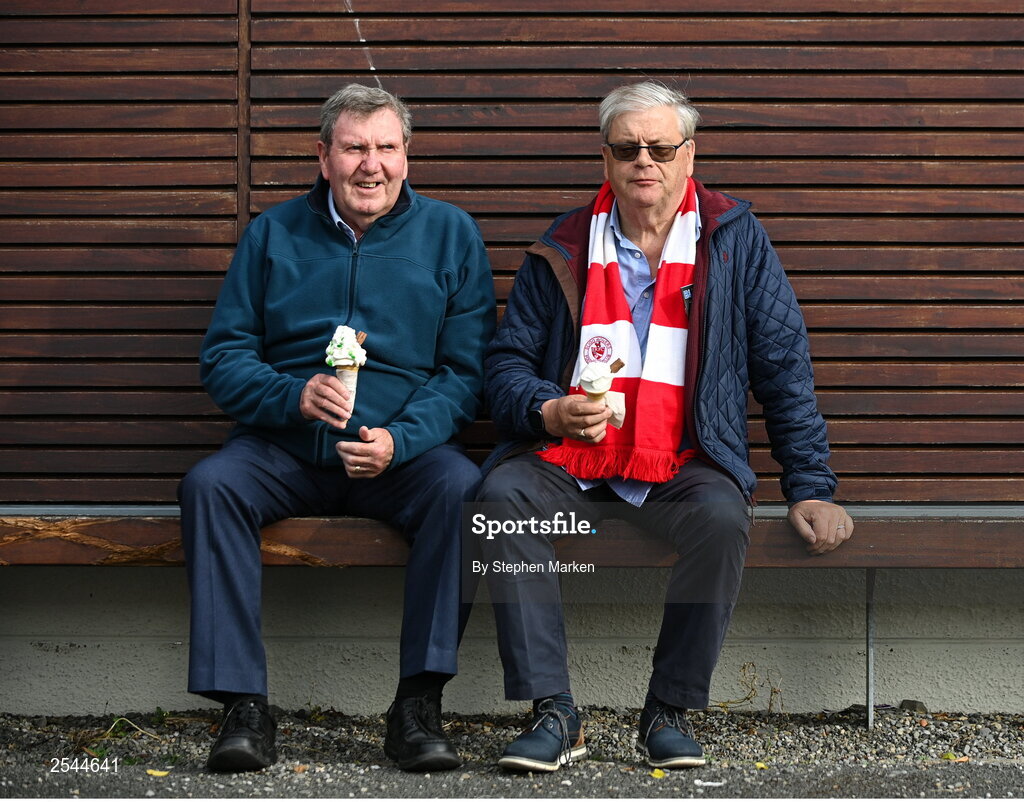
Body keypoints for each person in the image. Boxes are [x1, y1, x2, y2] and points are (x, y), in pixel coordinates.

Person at [475, 81, 854, 773]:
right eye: (627, 148)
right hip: (572, 456)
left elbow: (783, 368)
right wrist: (548, 409)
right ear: (606, 159)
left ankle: (668, 710)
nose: (643, 160)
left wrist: (812, 486)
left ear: (689, 155)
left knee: (721, 516)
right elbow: (504, 366)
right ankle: (553, 711)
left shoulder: (733, 240)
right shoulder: (563, 244)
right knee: (500, 502)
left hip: (686, 455)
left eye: (660, 147)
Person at [178, 84, 495, 773]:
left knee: (463, 487)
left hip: (400, 457)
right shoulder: (274, 233)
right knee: (211, 485)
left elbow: (464, 373)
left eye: (386, 147)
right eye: (354, 148)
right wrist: (291, 396)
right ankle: (243, 705)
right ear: (324, 157)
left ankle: (418, 704)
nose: (370, 165)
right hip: (283, 449)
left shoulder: (450, 234)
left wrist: (400, 440)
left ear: (407, 157)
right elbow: (223, 358)